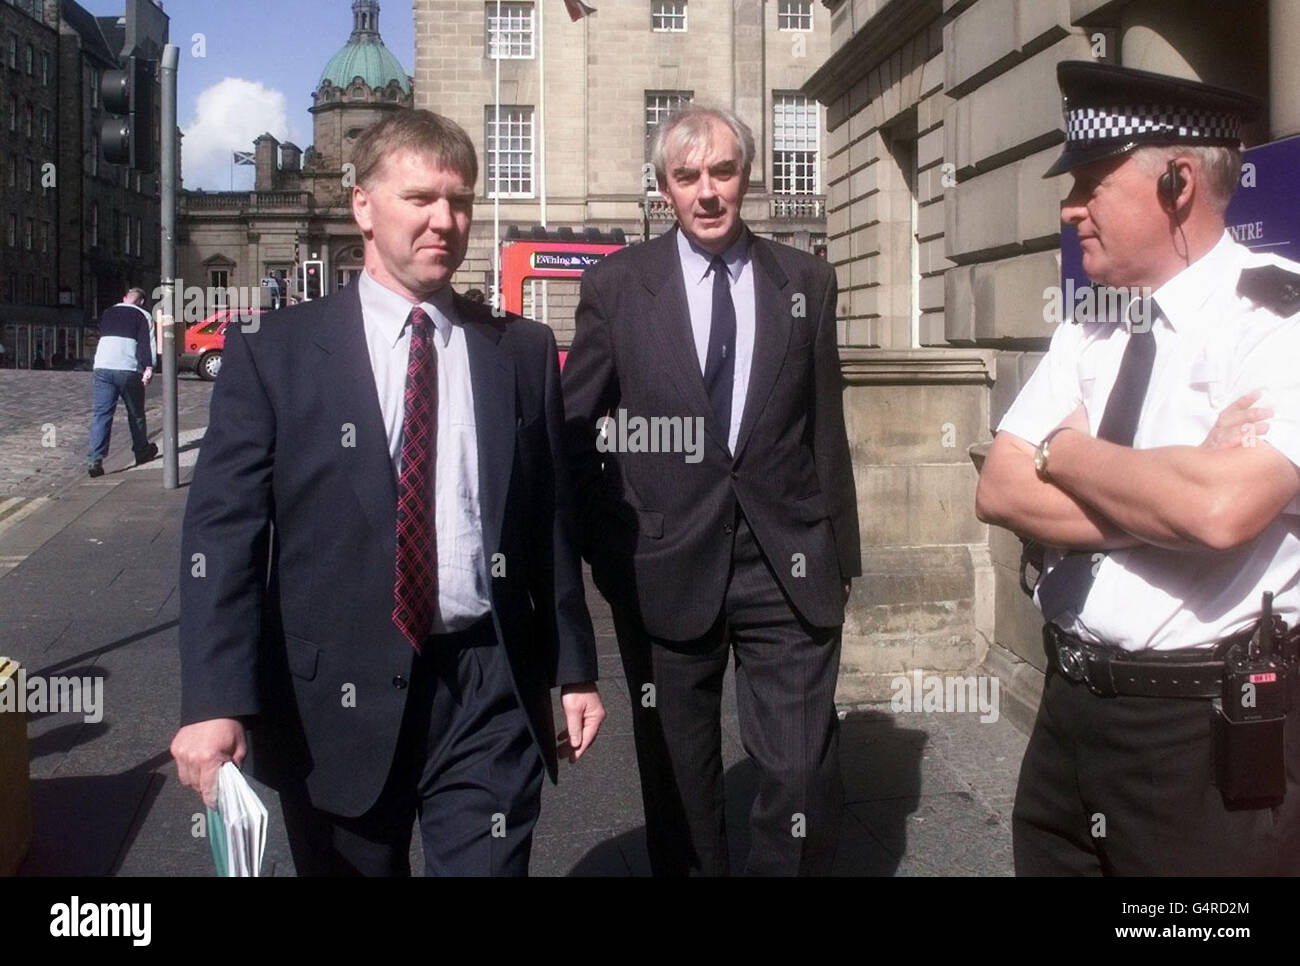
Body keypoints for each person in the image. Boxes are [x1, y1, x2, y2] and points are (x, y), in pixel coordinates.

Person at [170, 109, 605, 876]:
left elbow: (549, 525)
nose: (446, 220)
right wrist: (214, 700)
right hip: (330, 701)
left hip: (487, 687)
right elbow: (223, 536)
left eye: (461, 201)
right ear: (363, 206)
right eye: (421, 199)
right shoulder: (277, 355)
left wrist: (573, 669)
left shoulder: (521, 351)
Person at [976, 61, 1300, 875]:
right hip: (1068, 716)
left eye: (1090, 183)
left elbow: (1222, 511)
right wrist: (1169, 495)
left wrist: (1071, 453)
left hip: (1202, 736)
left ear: (1178, 184)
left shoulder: (1277, 320)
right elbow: (1000, 487)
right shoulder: (1089, 327)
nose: (1069, 209)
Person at [562, 104, 861, 875]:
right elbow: (574, 431)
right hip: (663, 567)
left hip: (785, 563)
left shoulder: (807, 281)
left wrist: (840, 558)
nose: (706, 192)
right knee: (680, 782)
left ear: (746, 176)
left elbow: (825, 427)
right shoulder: (617, 287)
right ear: (664, 187)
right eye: (687, 175)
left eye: (722, 171)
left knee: (799, 773)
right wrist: (609, 545)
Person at [86, 287, 158, 477]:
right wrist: (149, 367)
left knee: (102, 414)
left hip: (102, 367)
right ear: (141, 301)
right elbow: (146, 343)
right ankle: (142, 452)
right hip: (127, 368)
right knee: (136, 413)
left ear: (124, 297)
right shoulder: (143, 315)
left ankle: (95, 459)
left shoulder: (108, 312)